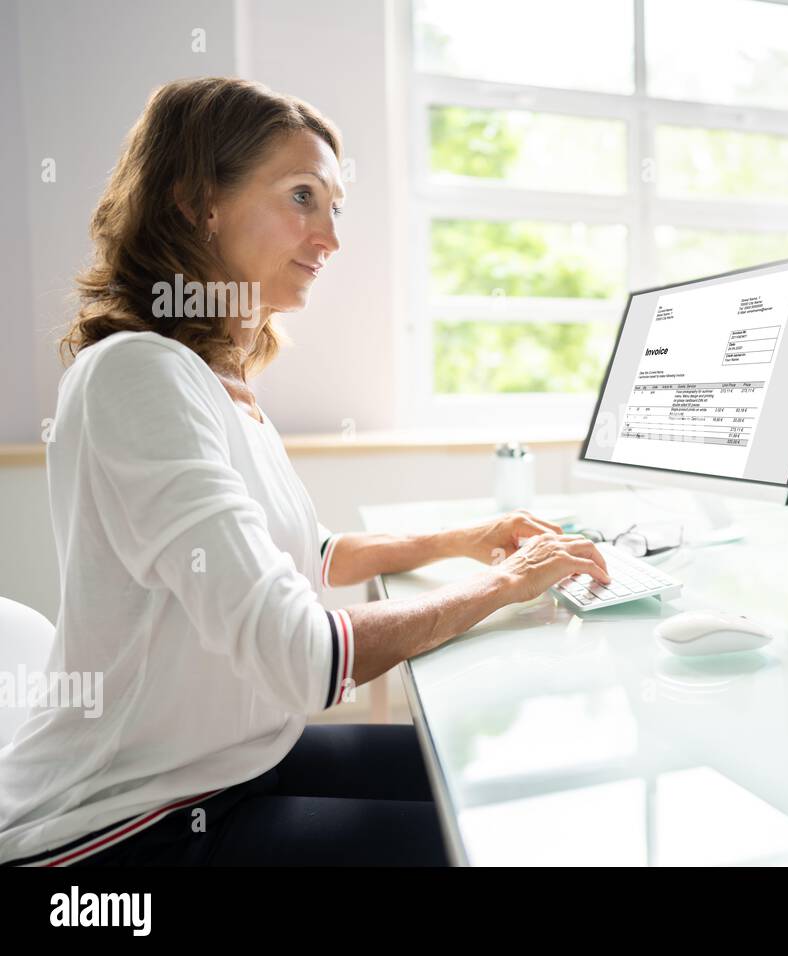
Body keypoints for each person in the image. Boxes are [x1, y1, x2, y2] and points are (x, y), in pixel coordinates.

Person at [0, 77, 610, 867]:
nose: (330, 237)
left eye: (335, 206)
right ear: (195, 204)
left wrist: (475, 536)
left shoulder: (214, 379)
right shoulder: (137, 377)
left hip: (230, 764)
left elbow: (312, 554)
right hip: (113, 831)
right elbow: (304, 656)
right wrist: (504, 583)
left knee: (497, 780)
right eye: (300, 197)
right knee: (502, 845)